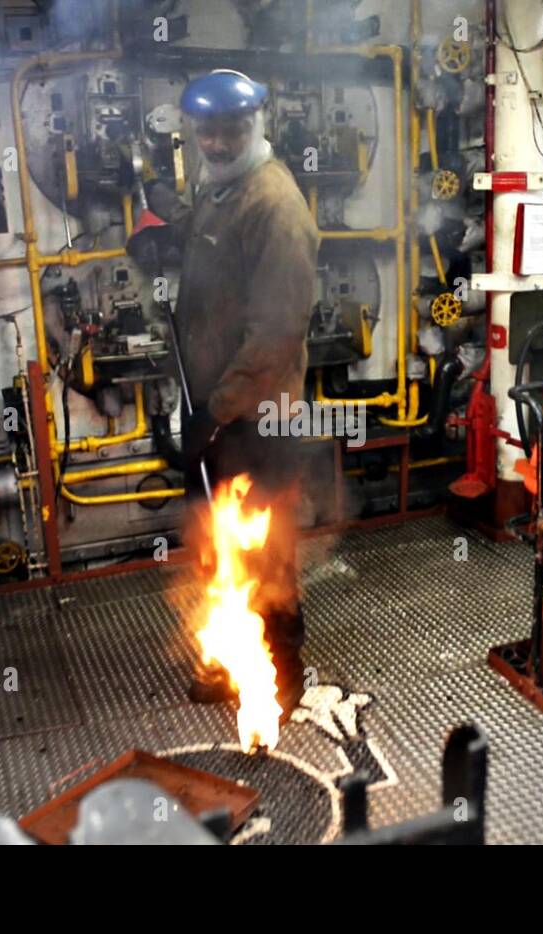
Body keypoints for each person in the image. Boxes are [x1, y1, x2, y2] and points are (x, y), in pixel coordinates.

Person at [139, 70, 319, 715]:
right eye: (206, 131)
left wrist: (217, 411)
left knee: (262, 542)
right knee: (215, 536)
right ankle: (230, 651)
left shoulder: (275, 204)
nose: (216, 142)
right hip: (212, 406)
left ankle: (282, 666)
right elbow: (206, 238)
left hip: (254, 413)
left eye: (230, 130)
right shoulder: (219, 188)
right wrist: (168, 219)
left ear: (255, 126)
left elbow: (275, 331)